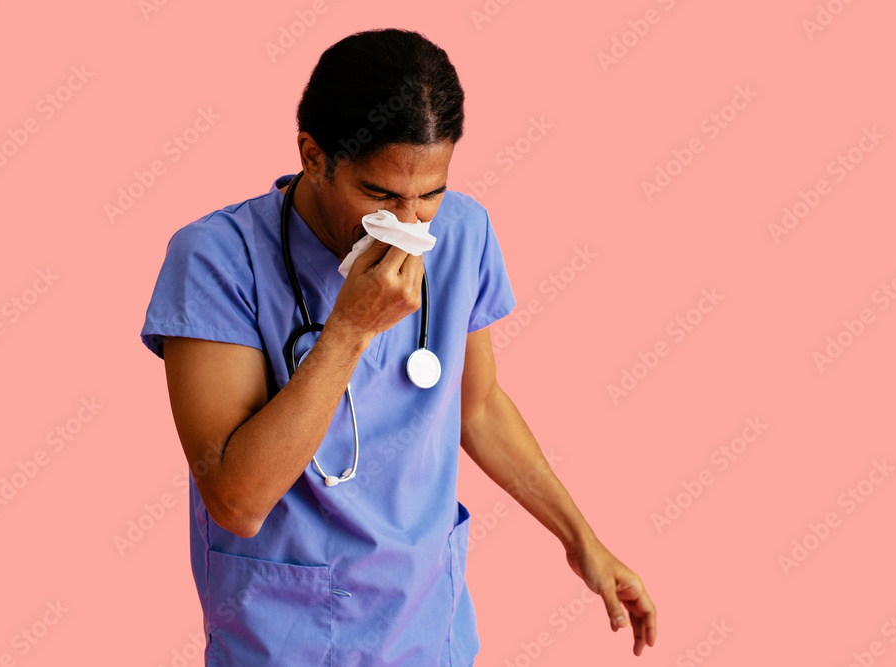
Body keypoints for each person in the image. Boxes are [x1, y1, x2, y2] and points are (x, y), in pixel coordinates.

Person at [139, 28, 656, 666]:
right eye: (379, 195)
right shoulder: (217, 260)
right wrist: (349, 331)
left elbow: (479, 406)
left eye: (430, 193)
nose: (409, 224)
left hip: (425, 628)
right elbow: (237, 501)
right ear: (312, 155)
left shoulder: (464, 232)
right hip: (286, 637)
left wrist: (580, 538)